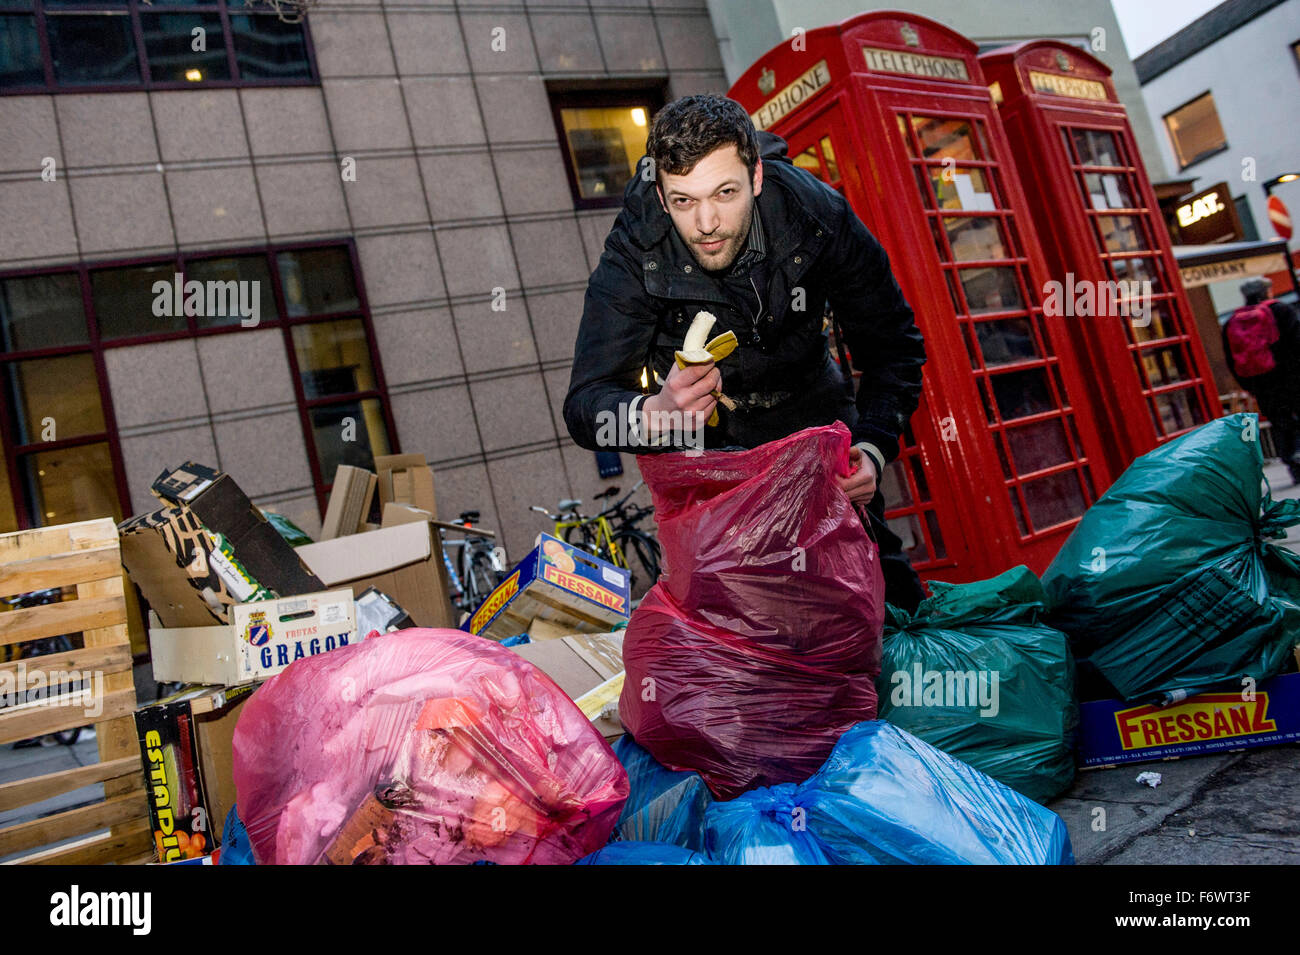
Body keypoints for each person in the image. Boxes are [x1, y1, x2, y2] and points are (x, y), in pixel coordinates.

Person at [563, 94, 928, 610]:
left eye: (725, 192)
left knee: (879, 595)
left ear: (755, 177)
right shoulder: (635, 251)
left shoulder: (817, 215)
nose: (707, 222)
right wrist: (655, 414)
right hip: (709, 461)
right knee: (746, 635)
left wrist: (872, 447)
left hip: (814, 424)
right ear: (663, 198)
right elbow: (585, 407)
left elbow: (894, 346)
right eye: (684, 201)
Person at [1221, 277, 1300, 483]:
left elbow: (1232, 359)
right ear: (1267, 292)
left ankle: (1293, 462)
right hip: (1291, 377)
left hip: (1262, 384)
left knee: (1280, 423)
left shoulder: (1232, 322)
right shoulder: (1281, 311)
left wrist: (1250, 386)